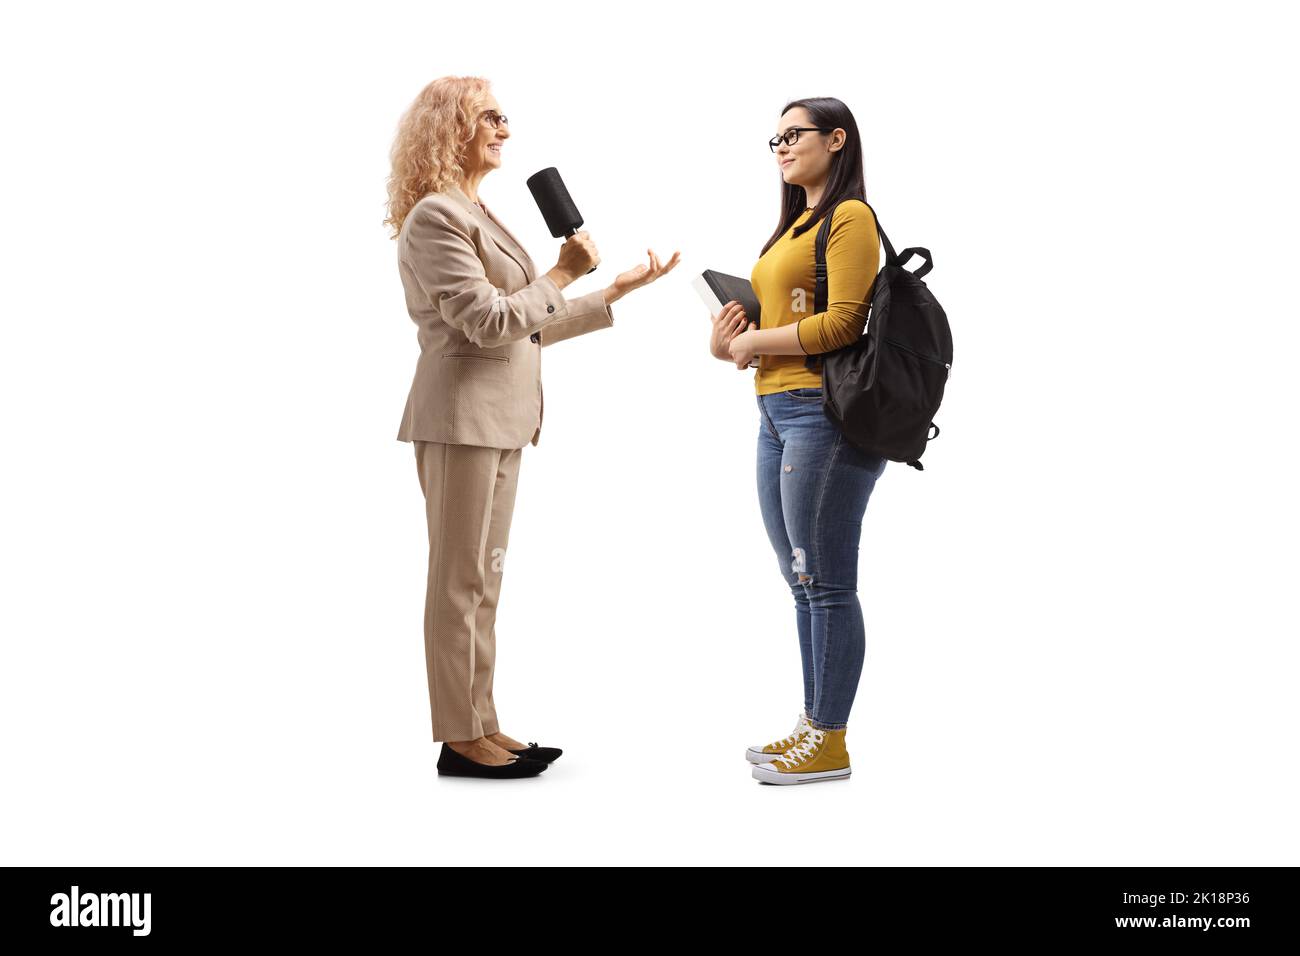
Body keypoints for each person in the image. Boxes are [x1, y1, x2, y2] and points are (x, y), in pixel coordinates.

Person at [385, 76, 678, 779]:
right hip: (460, 420)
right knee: (458, 584)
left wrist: (609, 291)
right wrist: (562, 269)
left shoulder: (476, 210)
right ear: (449, 127)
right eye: (490, 117)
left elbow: (526, 326)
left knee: (484, 581)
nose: (505, 129)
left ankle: (483, 722)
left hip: (506, 420)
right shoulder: (435, 217)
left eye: (505, 117)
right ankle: (460, 738)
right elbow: (486, 323)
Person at [708, 97, 887, 785]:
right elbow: (781, 323)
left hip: (824, 414)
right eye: (774, 138)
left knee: (829, 583)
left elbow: (844, 323)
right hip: (774, 412)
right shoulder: (790, 230)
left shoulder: (849, 216)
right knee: (802, 581)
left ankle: (831, 741)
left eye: (794, 133)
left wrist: (758, 340)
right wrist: (729, 342)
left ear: (836, 139)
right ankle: (813, 725)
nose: (781, 146)